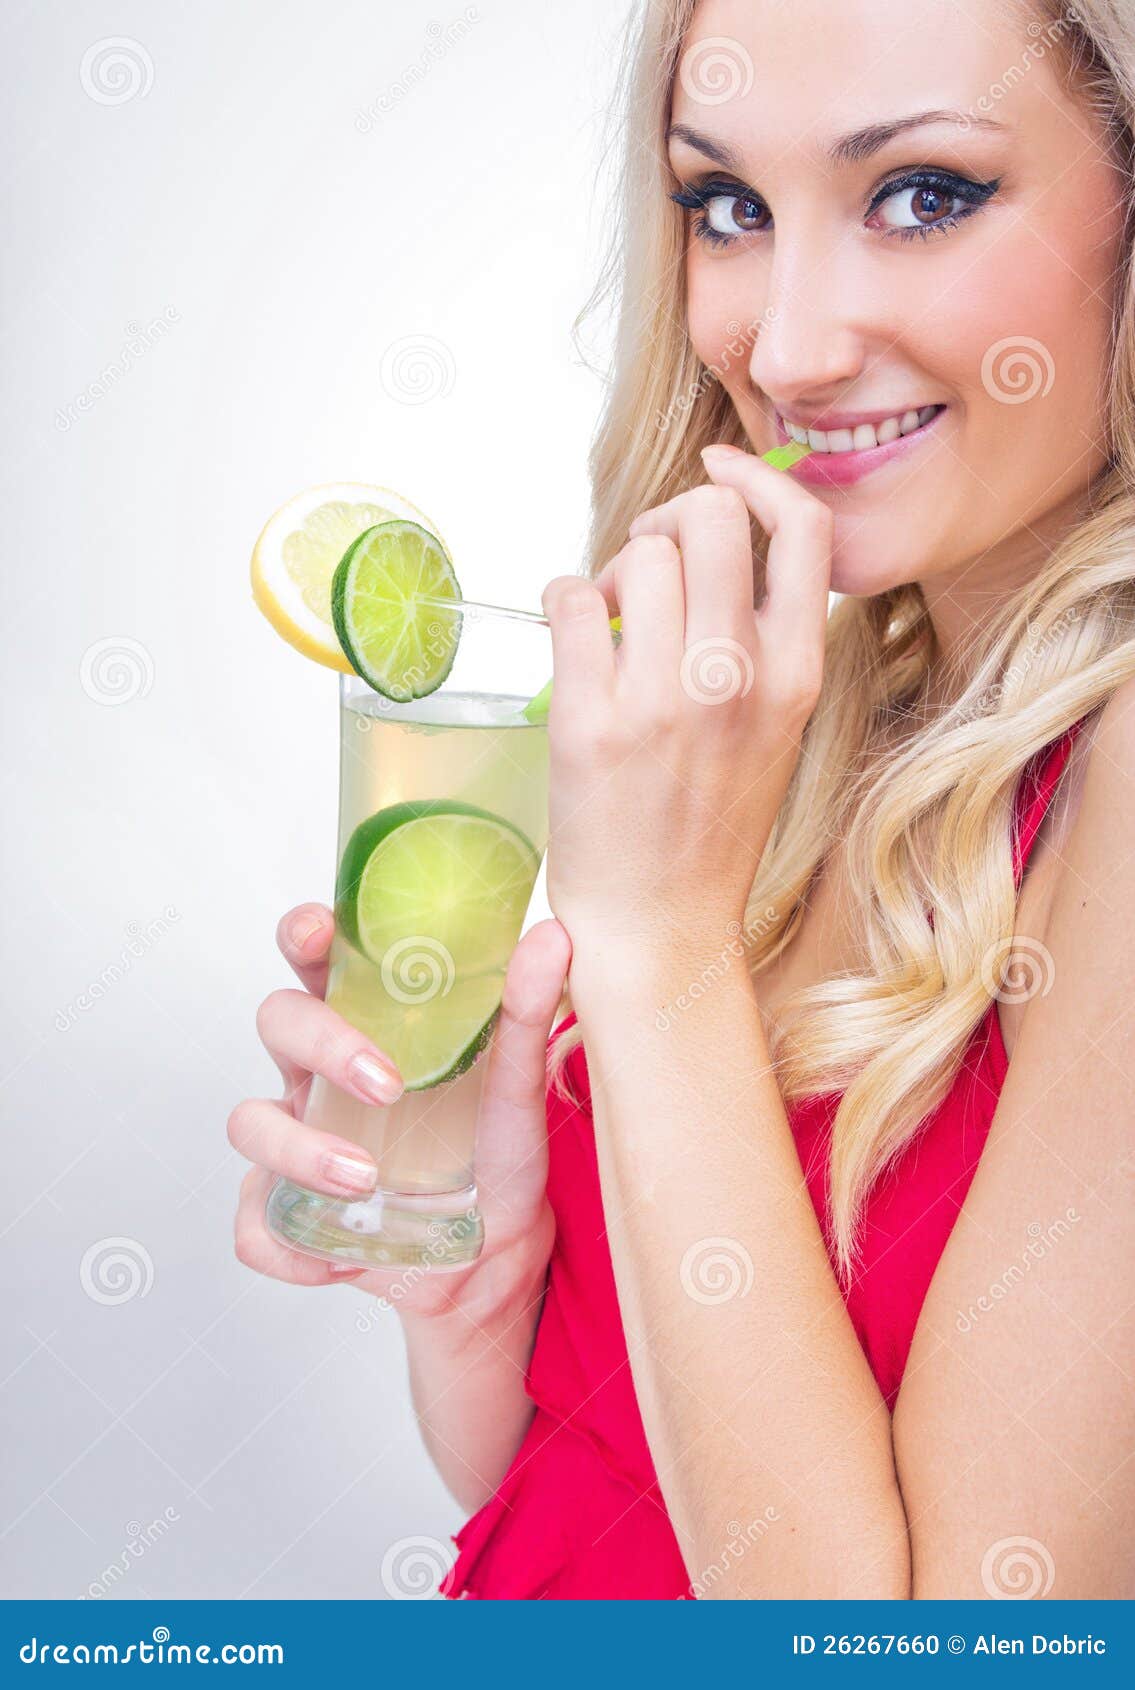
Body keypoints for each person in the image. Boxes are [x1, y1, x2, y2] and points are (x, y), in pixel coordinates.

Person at [230, 0, 1135, 1598]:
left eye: (922, 193)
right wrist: (485, 1306)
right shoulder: (809, 719)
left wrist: (653, 943)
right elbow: (610, 1503)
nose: (782, 348)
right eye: (728, 207)